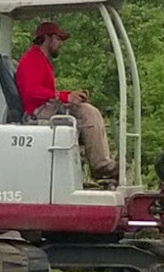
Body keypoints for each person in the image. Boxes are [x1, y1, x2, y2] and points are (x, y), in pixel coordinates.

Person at [15, 20, 119, 182]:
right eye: (58, 39)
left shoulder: (41, 60)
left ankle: (102, 162)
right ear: (46, 38)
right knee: (87, 112)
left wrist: (71, 96)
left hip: (46, 107)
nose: (61, 43)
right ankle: (100, 166)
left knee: (88, 109)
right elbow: (31, 91)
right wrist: (65, 97)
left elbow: (46, 92)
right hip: (36, 113)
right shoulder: (32, 59)